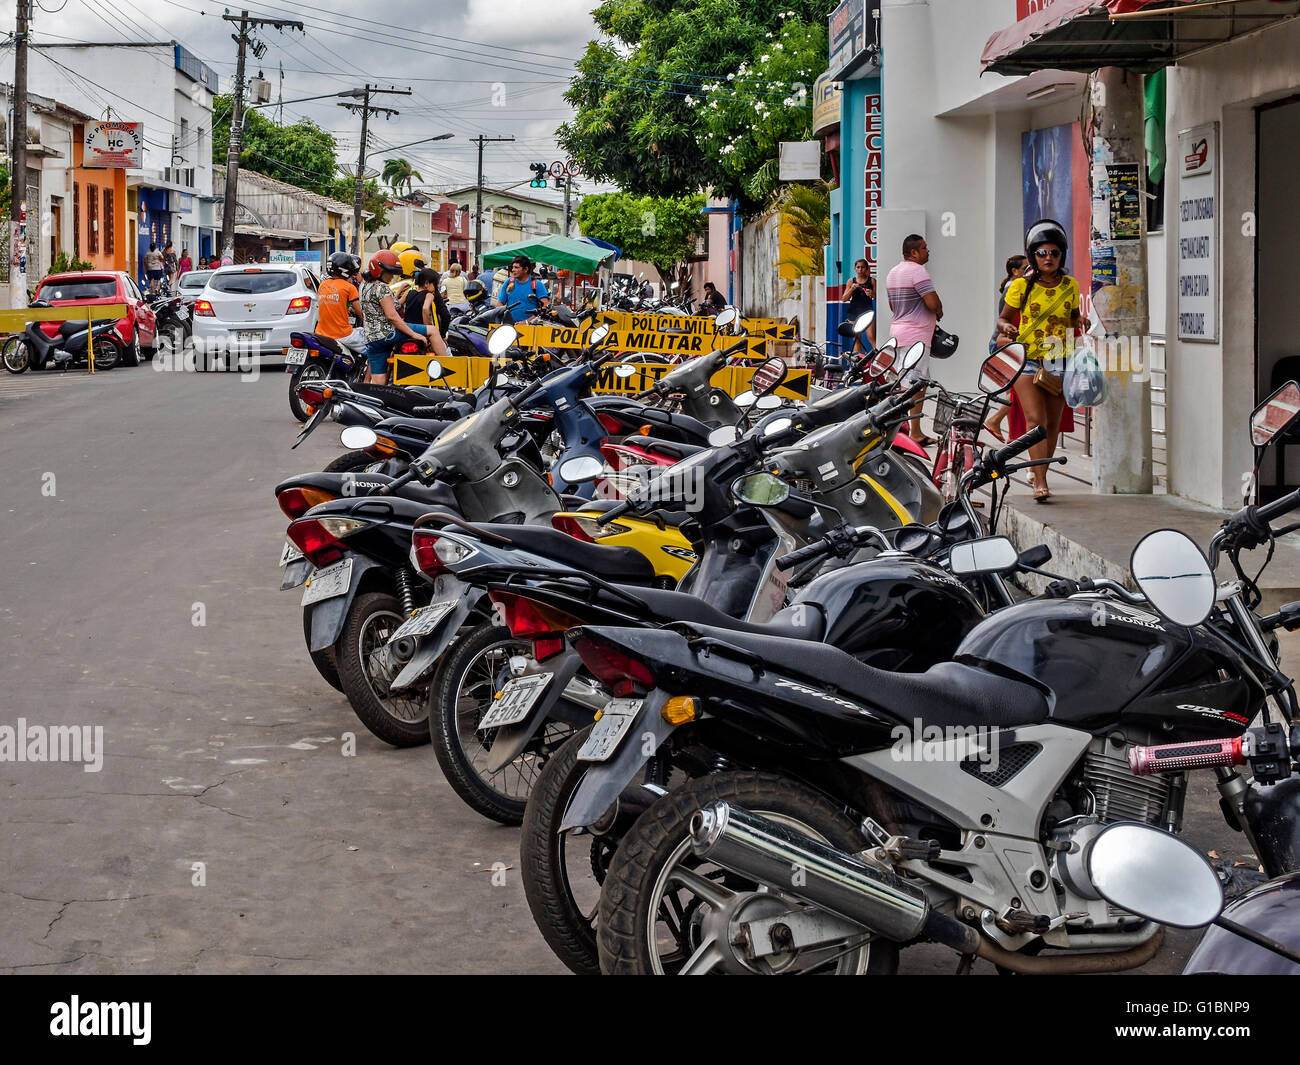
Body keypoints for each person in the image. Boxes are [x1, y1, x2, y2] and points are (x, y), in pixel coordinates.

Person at [995, 219, 1083, 503]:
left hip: (1059, 360)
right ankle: (1040, 480)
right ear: (1033, 255)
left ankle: (1040, 470)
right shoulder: (1020, 286)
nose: (1048, 258)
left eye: (1054, 253)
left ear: (1062, 256)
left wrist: (1081, 321)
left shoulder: (1070, 285)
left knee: (1053, 423)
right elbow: (1004, 318)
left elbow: (1073, 319)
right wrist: (1005, 328)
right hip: (1027, 359)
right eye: (1042, 253)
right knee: (1036, 421)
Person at [885, 234, 943, 445]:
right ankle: (909, 431)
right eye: (925, 248)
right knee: (914, 384)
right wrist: (939, 310)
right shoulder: (917, 271)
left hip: (898, 333)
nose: (929, 251)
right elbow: (932, 303)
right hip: (916, 335)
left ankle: (910, 429)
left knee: (909, 381)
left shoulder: (893, 273)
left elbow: (892, 306)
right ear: (914, 252)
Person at [358, 249, 432, 386]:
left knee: (378, 383)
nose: (392, 277)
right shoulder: (382, 288)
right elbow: (392, 316)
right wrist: (414, 334)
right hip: (388, 334)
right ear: (379, 270)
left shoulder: (364, 285)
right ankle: (446, 369)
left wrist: (400, 293)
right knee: (432, 330)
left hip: (372, 339)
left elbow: (391, 305)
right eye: (389, 272)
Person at [983, 254, 1029, 442]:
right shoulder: (1014, 287)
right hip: (1005, 343)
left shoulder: (1016, 285)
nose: (1029, 272)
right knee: (1015, 391)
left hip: (1006, 342)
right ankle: (995, 421)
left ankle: (1012, 435)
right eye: (1025, 268)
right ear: (1015, 271)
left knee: (1012, 390)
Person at [316, 251, 366, 356]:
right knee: (373, 348)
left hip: (320, 333)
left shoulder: (322, 285)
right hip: (342, 334)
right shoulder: (349, 287)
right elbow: (361, 313)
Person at [402, 268, 451, 358]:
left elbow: (397, 305)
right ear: (426, 283)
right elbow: (425, 309)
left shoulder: (408, 293)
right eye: (435, 284)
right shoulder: (429, 295)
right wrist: (428, 328)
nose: (436, 288)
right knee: (447, 358)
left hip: (408, 332)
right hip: (423, 333)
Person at [492, 254, 550, 322]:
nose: (513, 270)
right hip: (510, 327)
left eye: (516, 267)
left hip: (531, 327)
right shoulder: (509, 282)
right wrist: (505, 319)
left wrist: (527, 322)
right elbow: (500, 303)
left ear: (525, 269)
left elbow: (545, 307)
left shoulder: (537, 284)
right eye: (513, 267)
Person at [841, 258, 877, 351]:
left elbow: (877, 298)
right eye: (858, 267)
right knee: (857, 339)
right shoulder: (851, 281)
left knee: (871, 338)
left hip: (867, 313)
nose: (860, 270)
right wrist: (851, 289)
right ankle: (857, 362)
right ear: (855, 268)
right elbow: (844, 299)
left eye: (862, 267)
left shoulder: (872, 281)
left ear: (867, 268)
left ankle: (879, 360)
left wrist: (871, 294)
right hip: (853, 313)